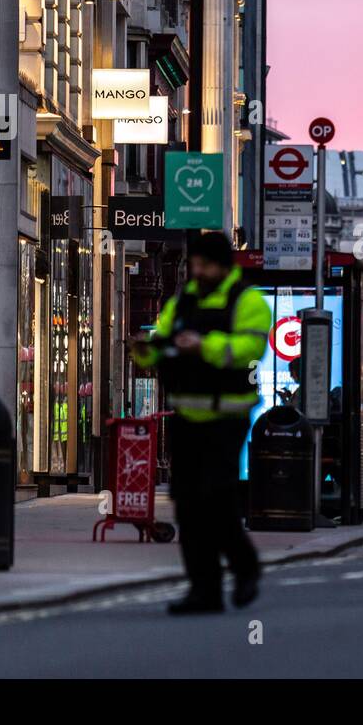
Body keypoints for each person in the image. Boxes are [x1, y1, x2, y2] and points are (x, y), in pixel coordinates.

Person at [132, 231, 271, 614]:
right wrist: (145, 352)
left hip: (227, 416)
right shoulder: (182, 302)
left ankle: (246, 569)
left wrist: (204, 345)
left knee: (217, 499)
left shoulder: (248, 301)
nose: (197, 271)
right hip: (187, 417)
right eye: (194, 264)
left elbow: (250, 349)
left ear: (223, 266)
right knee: (187, 505)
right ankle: (203, 589)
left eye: (205, 264)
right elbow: (164, 345)